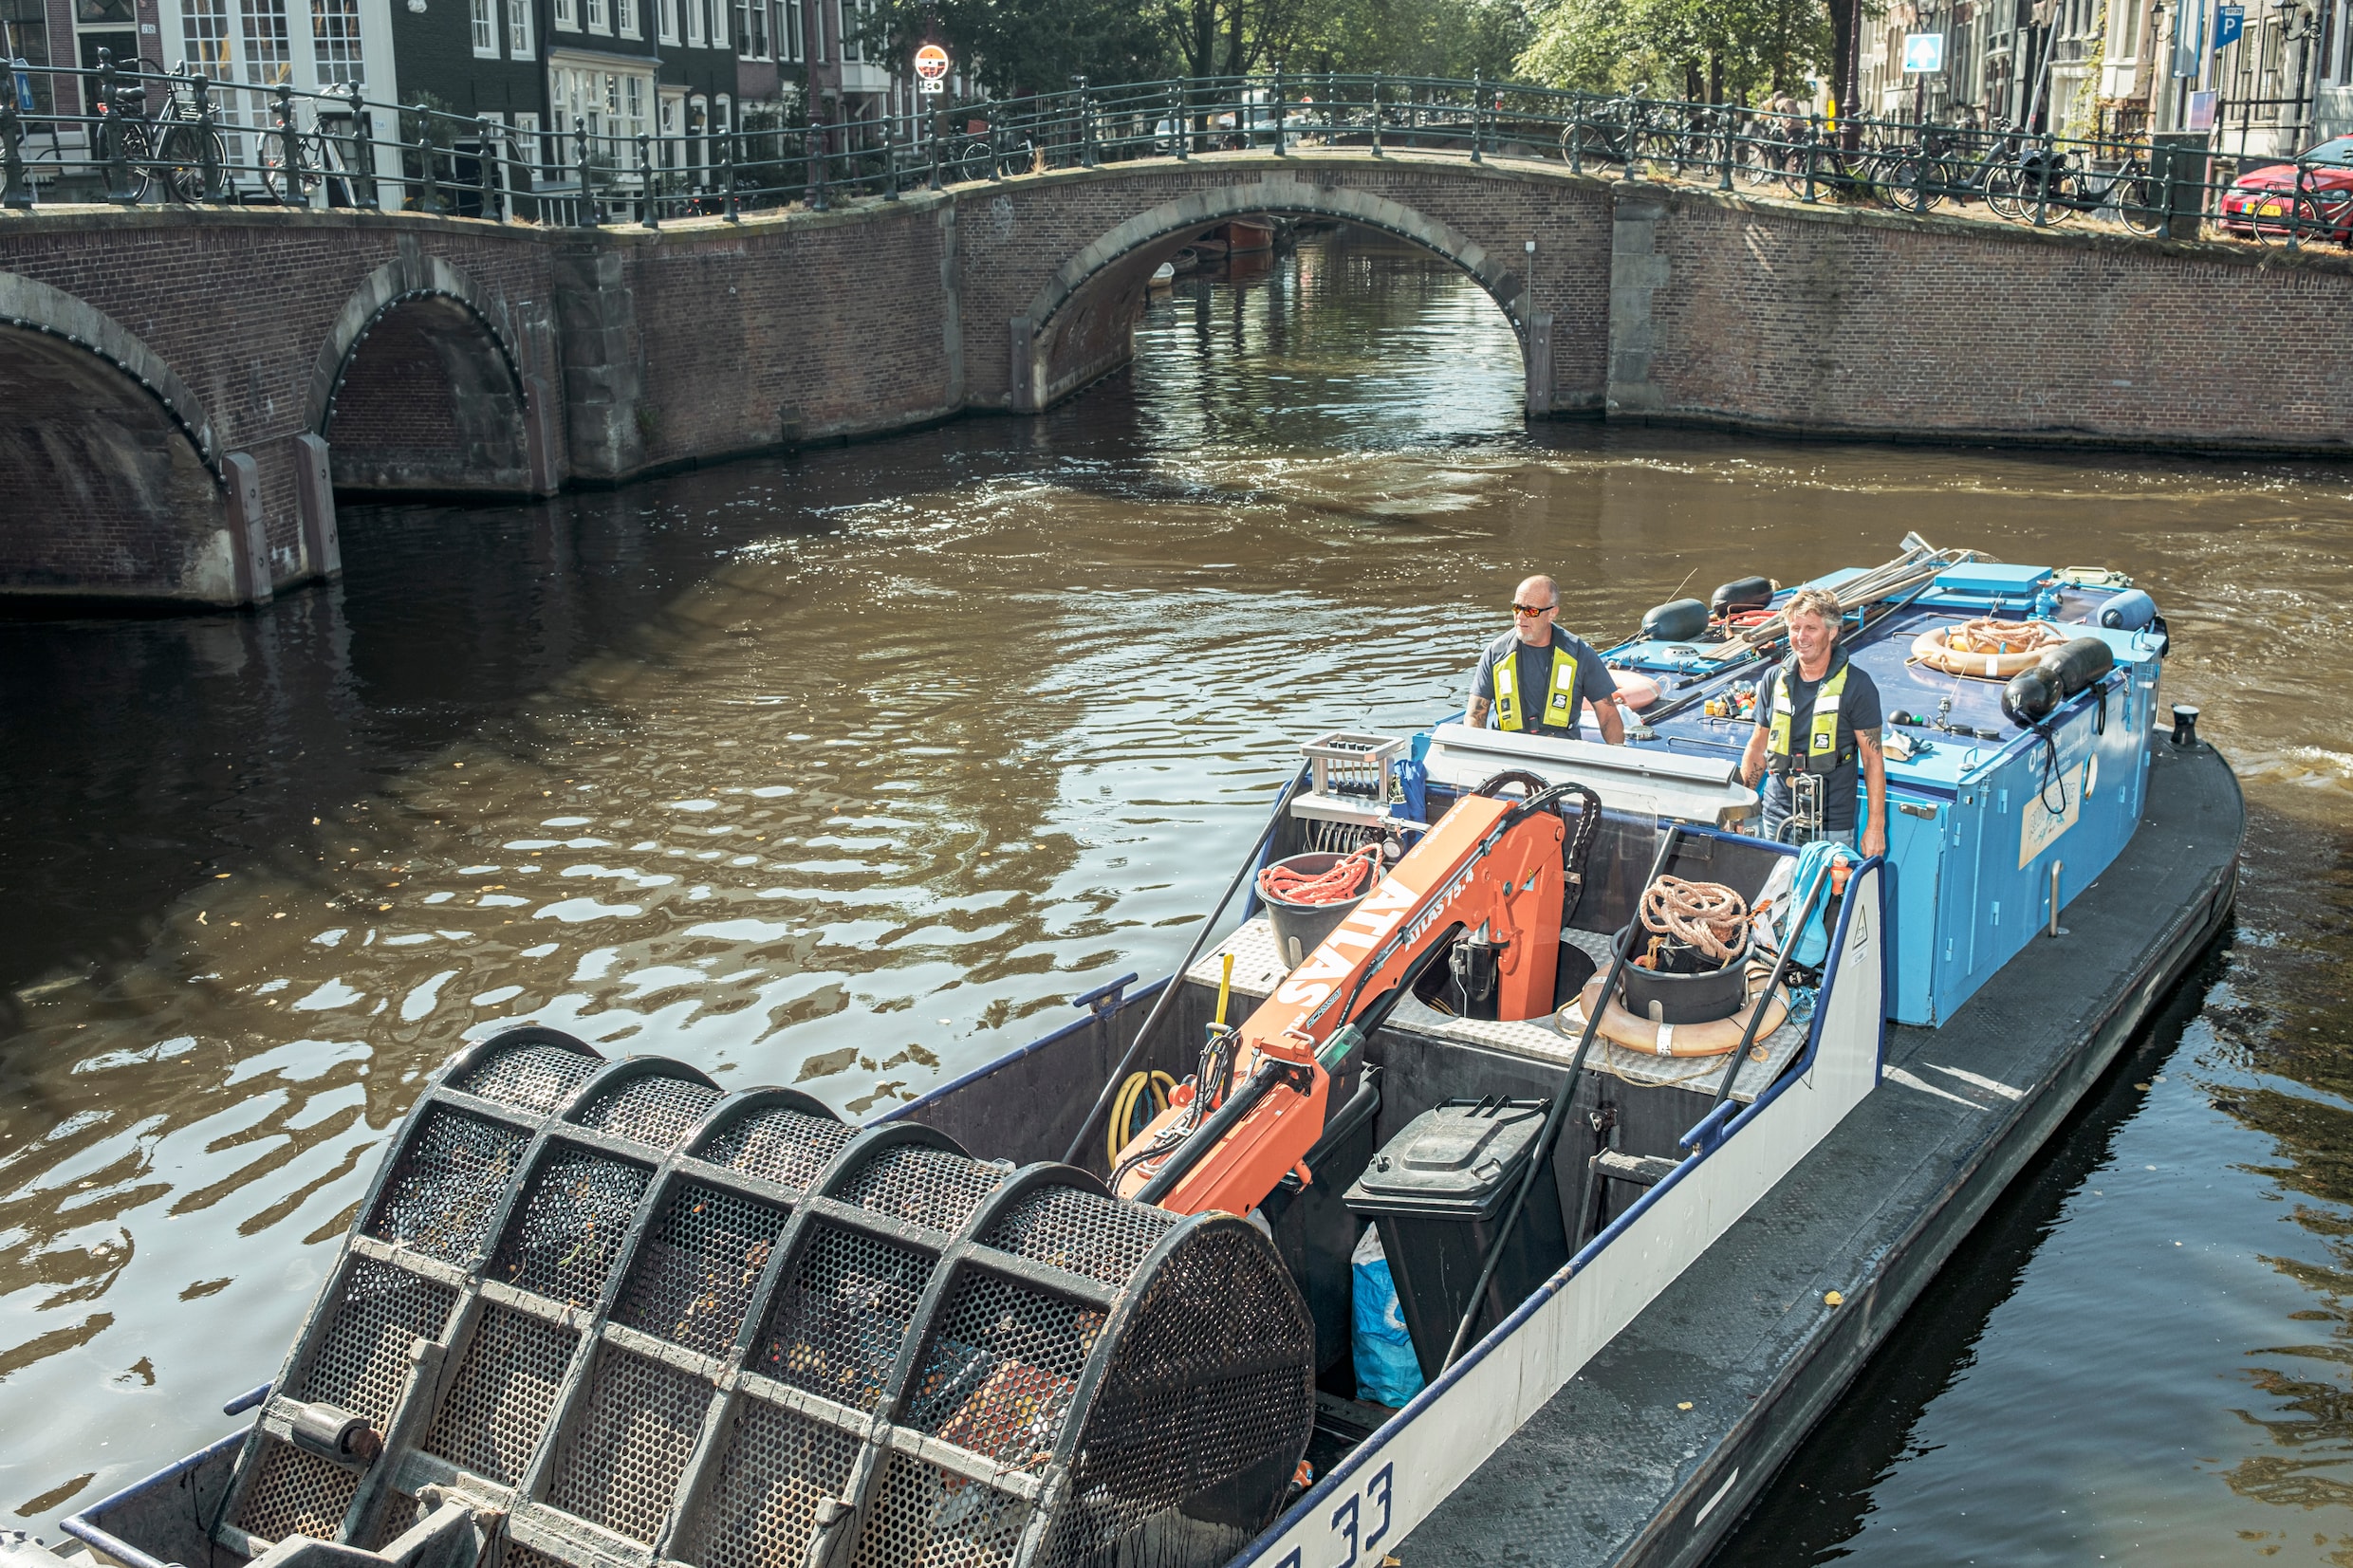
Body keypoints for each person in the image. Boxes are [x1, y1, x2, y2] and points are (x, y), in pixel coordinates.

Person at [1738, 586, 1887, 857]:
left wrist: (1876, 827)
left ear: (1831, 632)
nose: (1801, 637)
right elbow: (1757, 746)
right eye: (1795, 628)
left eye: (1811, 628)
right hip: (1775, 817)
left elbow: (1872, 759)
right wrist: (1740, 808)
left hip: (1832, 825)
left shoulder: (1858, 685)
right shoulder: (1773, 679)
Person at [1465, 575, 1624, 745]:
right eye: (1516, 608)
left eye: (1530, 611)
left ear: (1552, 614)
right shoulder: (1495, 653)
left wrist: (1618, 752)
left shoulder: (1580, 654)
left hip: (1561, 750)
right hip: (1509, 748)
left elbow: (1608, 715)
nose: (1520, 616)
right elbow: (1475, 715)